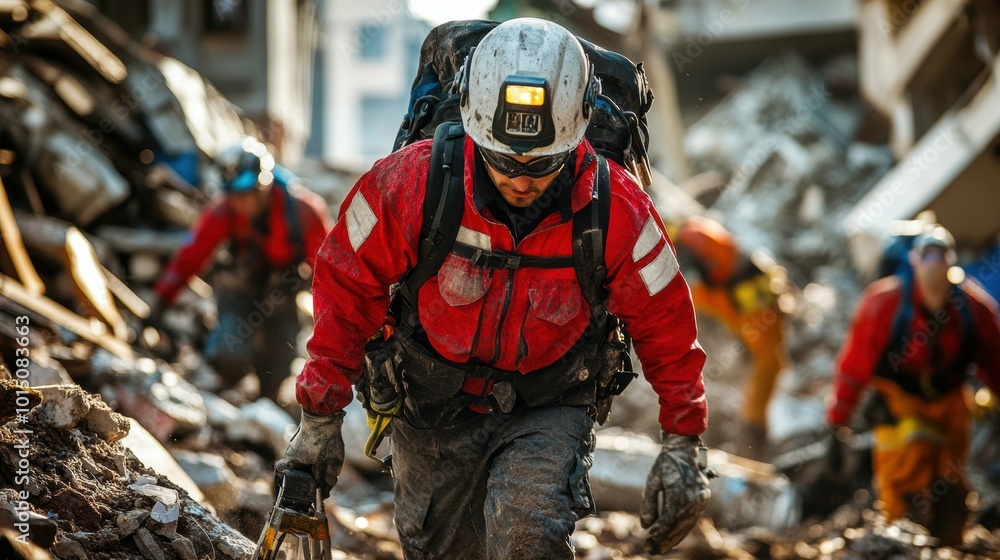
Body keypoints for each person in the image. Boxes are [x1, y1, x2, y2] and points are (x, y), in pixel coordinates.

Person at [281, 18, 711, 559]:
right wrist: (320, 417)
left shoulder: (617, 209)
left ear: (576, 138)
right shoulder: (409, 184)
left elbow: (666, 325)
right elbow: (346, 286)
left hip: (549, 401)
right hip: (431, 401)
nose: (523, 179)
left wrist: (682, 442)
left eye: (543, 163)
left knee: (528, 537)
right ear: (474, 128)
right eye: (505, 159)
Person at [826, 225, 1000, 546]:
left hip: (950, 401)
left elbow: (996, 363)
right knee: (904, 476)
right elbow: (853, 368)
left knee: (951, 487)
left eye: (941, 254)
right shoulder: (883, 302)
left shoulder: (975, 309)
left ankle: (948, 546)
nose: (933, 262)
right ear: (914, 260)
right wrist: (838, 425)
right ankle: (900, 545)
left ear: (952, 262)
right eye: (926, 254)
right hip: (898, 399)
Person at [153, 137, 333, 402]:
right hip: (238, 292)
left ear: (265, 184)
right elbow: (190, 256)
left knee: (277, 364)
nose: (241, 203)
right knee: (228, 355)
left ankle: (266, 399)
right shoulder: (224, 209)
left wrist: (331, 326)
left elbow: (330, 272)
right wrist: (159, 304)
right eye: (234, 196)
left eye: (248, 194)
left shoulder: (304, 211)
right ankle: (220, 367)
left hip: (280, 295)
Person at [669, 215, 787, 457]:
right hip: (725, 292)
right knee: (766, 363)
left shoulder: (702, 246)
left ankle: (751, 433)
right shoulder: (687, 240)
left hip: (736, 292)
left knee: (767, 364)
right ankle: (749, 432)